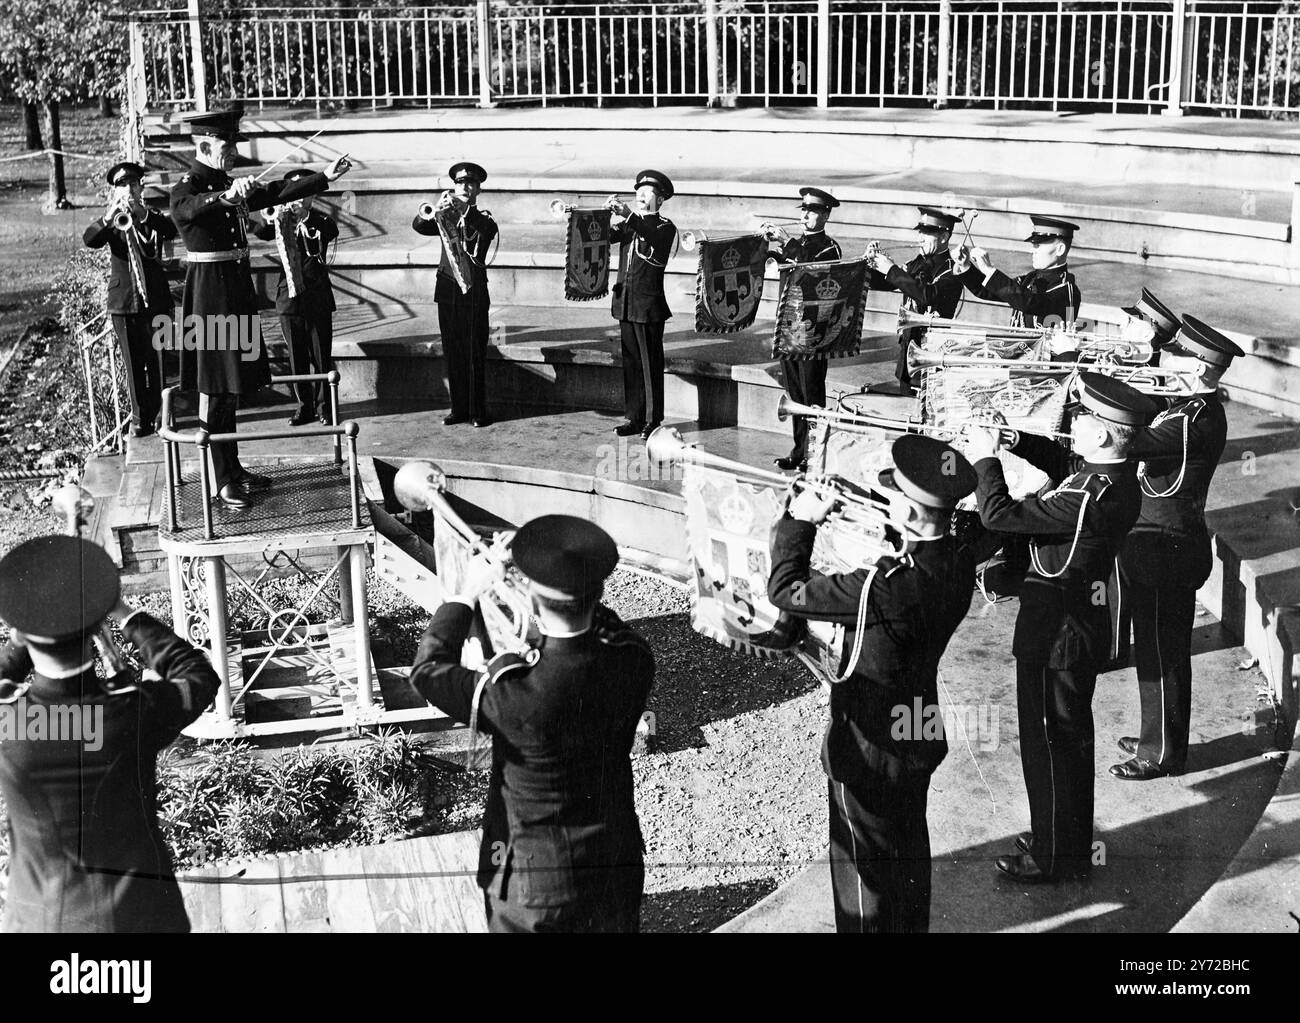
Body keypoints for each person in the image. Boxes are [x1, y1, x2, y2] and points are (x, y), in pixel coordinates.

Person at [767, 435, 979, 932]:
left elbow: (786, 589)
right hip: (917, 727)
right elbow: (916, 540)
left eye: (893, 496)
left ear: (909, 511)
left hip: (870, 744)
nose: (886, 499)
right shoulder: (957, 557)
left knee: (864, 875)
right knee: (907, 854)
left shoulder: (882, 587)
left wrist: (800, 520)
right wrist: (869, 508)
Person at [408, 515, 655, 932]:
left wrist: (467, 593)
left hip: (536, 889)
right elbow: (601, 622)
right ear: (597, 592)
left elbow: (427, 671)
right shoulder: (634, 658)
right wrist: (548, 574)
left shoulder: (512, 694)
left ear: (536, 605)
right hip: (614, 861)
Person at [963, 373, 1155, 883]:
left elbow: (998, 515)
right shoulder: (1110, 477)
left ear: (1102, 435)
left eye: (1083, 420)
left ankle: (1055, 857)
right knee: (1064, 742)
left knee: (1050, 745)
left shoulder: (1089, 497)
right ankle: (1060, 837)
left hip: (1057, 634)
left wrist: (984, 457)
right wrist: (1017, 440)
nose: (1075, 426)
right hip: (1071, 626)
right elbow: (1067, 465)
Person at [0, 535, 221, 932]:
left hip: (44, 921)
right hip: (143, 917)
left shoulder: (6, 723)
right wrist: (122, 612)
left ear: (20, 633)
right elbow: (198, 674)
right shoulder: (135, 712)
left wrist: (25, 632)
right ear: (93, 627)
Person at [169, 108, 352, 509]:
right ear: (205, 145)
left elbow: (274, 192)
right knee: (215, 389)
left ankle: (233, 469)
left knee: (232, 389)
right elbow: (186, 209)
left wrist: (324, 176)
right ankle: (219, 480)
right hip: (209, 299)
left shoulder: (224, 181)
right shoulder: (189, 185)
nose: (234, 151)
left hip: (235, 292)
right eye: (227, 145)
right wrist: (226, 197)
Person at [1111, 315, 1242, 781]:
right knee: (1153, 648)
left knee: (1163, 654)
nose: (1166, 357)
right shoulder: (1185, 408)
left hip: (1168, 550)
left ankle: (1162, 753)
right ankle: (1156, 735)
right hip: (1158, 544)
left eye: (1177, 354)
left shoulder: (1193, 421)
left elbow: (1127, 441)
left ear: (1200, 368)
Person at [82, 161, 177, 437]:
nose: (128, 189)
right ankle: (139, 419)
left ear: (140, 187)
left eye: (132, 184)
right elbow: (90, 239)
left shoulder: (151, 216)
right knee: (133, 364)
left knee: (158, 361)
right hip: (124, 302)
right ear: (115, 190)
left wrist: (143, 215)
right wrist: (109, 217)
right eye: (122, 185)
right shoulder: (113, 221)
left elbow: (170, 230)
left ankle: (162, 416)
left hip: (155, 301)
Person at [252, 168, 341, 427]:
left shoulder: (321, 221)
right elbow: (260, 231)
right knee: (297, 357)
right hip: (289, 299)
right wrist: (275, 217)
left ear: (313, 196)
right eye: (295, 192)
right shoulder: (280, 220)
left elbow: (330, 232)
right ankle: (305, 406)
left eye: (305, 193)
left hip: (317, 297)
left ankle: (326, 406)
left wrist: (304, 218)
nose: (299, 198)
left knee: (321, 356)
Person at [412, 161, 498, 428]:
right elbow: (419, 225)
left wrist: (463, 211)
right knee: (453, 352)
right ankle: (458, 409)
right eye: (460, 183)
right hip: (447, 290)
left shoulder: (484, 220)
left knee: (474, 353)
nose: (464, 187)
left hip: (473, 292)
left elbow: (483, 237)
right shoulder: (444, 217)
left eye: (470, 184)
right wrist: (436, 210)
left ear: (478, 190)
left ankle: (478, 411)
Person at [765, 186, 843, 470]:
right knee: (795, 395)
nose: (805, 215)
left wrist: (786, 243)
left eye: (812, 211)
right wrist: (763, 246)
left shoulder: (829, 247)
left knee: (812, 396)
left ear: (825, 215)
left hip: (813, 334)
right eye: (804, 210)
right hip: (789, 329)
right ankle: (800, 451)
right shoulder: (796, 245)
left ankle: (816, 454)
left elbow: (813, 269)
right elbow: (781, 264)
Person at [866, 206, 965, 397]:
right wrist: (870, 264)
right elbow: (884, 284)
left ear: (944, 237)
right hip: (907, 353)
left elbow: (927, 295)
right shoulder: (917, 263)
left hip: (932, 354)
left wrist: (892, 270)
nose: (920, 238)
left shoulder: (952, 270)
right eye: (919, 232)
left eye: (926, 233)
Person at [609, 170, 677, 440]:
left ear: (660, 200)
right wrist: (597, 216)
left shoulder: (664, 227)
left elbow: (652, 237)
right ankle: (634, 417)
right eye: (639, 191)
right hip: (625, 302)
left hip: (648, 306)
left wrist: (628, 216)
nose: (641, 195)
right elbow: (605, 236)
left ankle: (652, 419)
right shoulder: (630, 223)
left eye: (648, 192)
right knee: (631, 363)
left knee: (650, 366)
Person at [953, 215, 1081, 329]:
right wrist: (966, 266)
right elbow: (988, 291)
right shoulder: (1031, 278)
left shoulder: (1067, 289)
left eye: (1038, 246)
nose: (1031, 250)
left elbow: (1029, 302)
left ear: (1060, 250)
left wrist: (990, 270)